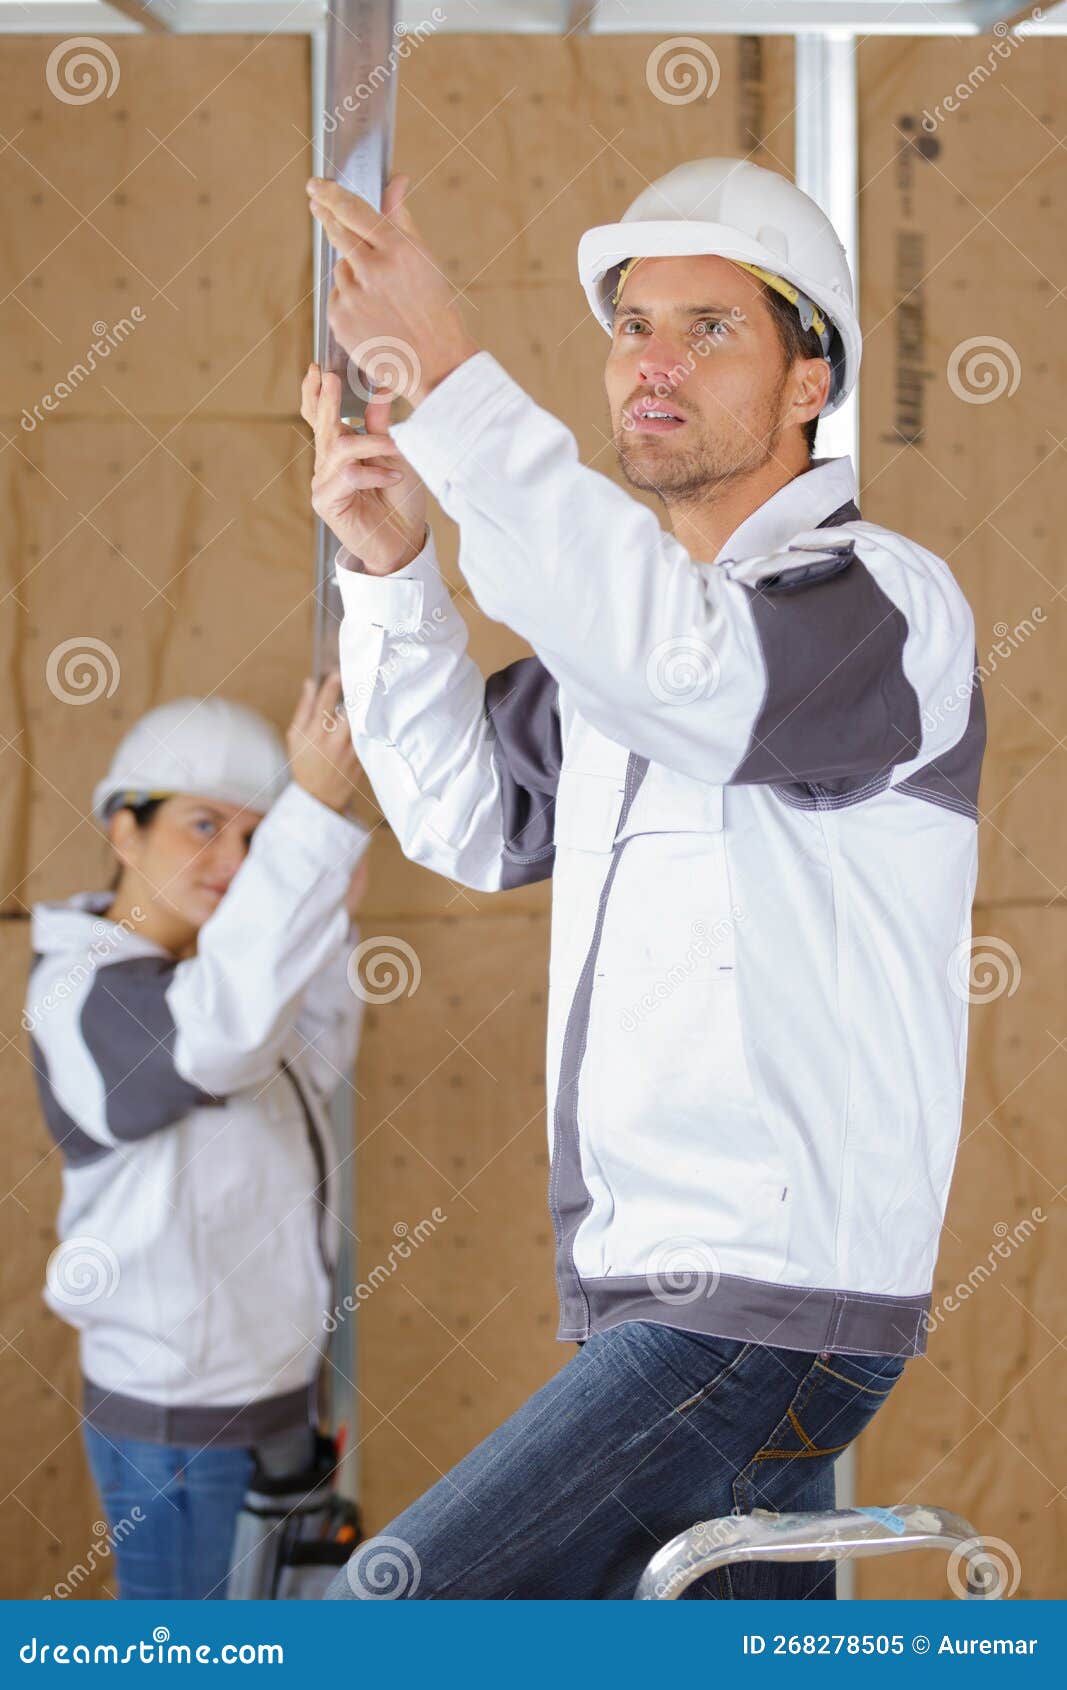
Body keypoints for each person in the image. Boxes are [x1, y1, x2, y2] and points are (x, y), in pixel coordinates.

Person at [301, 156, 984, 1601]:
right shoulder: (633, 652)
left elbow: (690, 678)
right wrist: (392, 578)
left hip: (760, 1299)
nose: (650, 363)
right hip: (665, 1290)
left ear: (811, 381)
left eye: (707, 328)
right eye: (628, 328)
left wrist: (459, 386)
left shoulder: (873, 602)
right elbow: (467, 818)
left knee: (396, 1611)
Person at [26, 679, 370, 1599]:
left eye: (257, 837)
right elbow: (214, 1040)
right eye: (203, 825)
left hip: (277, 1392)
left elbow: (312, 1051)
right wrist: (308, 833)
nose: (235, 858)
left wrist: (318, 911)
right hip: (179, 1418)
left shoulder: (216, 971)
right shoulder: (83, 992)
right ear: (123, 828)